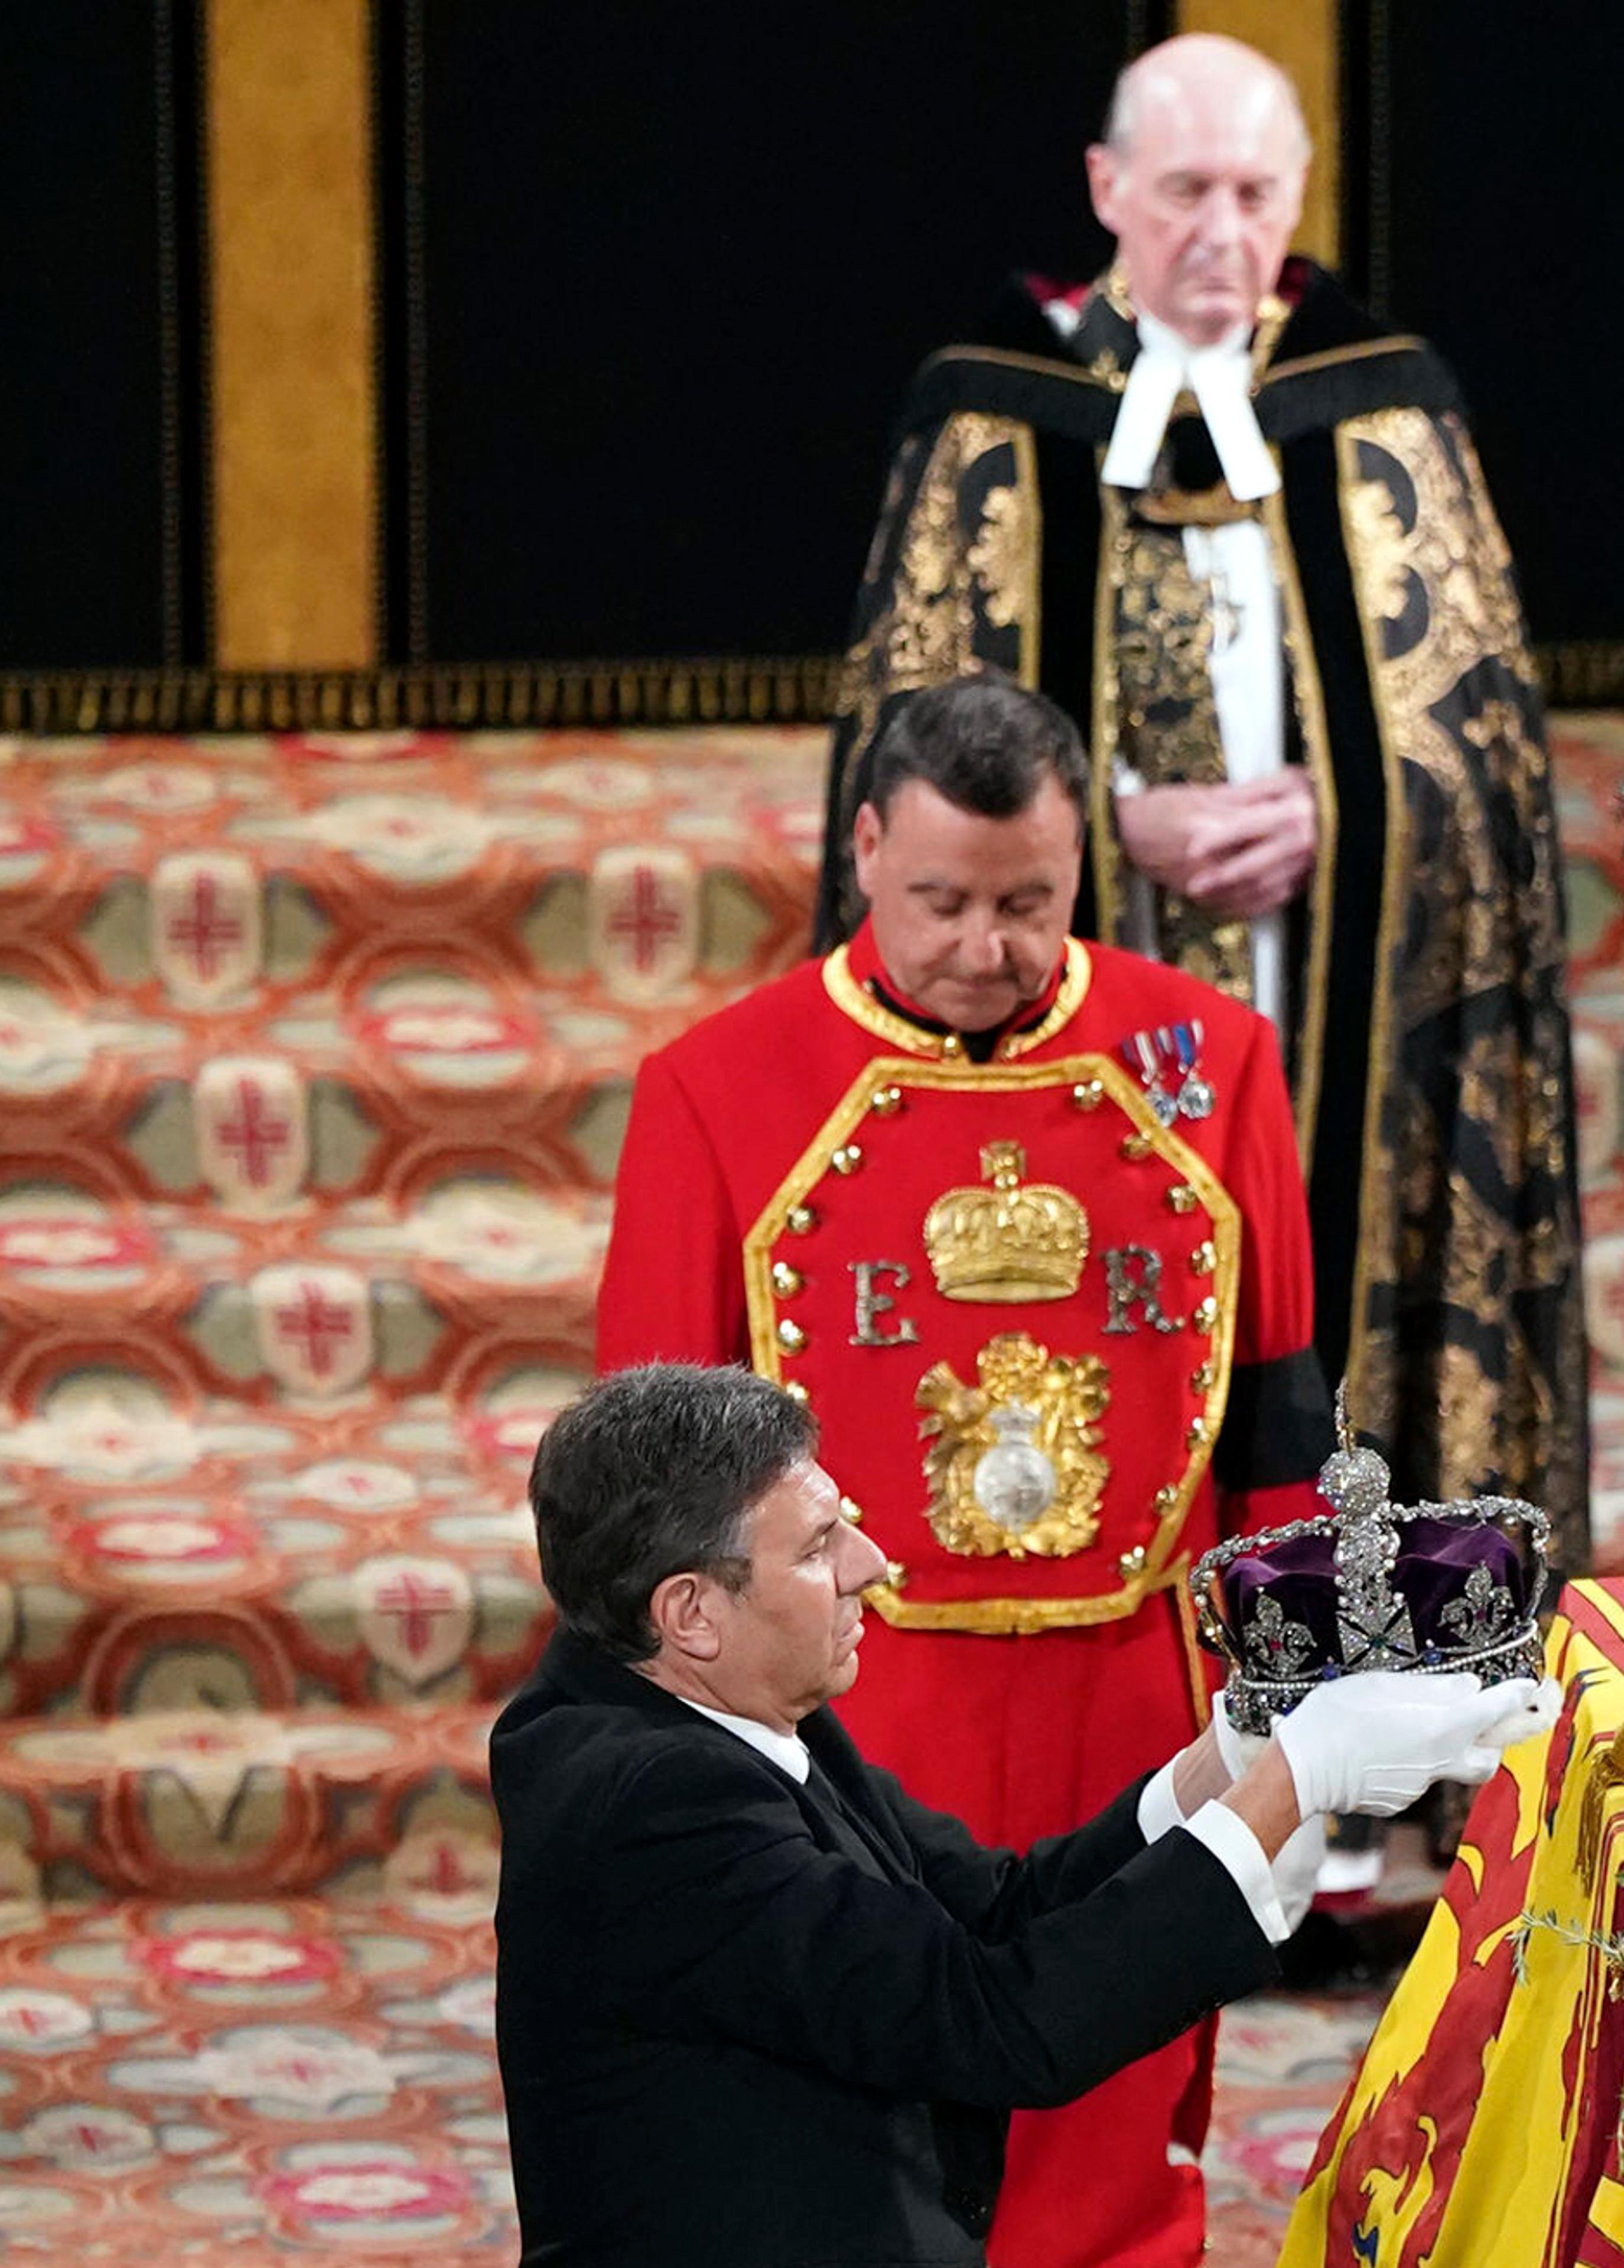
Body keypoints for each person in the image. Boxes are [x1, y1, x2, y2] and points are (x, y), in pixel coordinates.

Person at [809, 31, 1585, 1554]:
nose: (1222, 233)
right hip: (1085, 974)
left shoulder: (1385, 402)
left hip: (1332, 998)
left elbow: (1490, 760)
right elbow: (903, 748)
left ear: (1297, 191)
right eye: (1183, 192)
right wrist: (1107, 829)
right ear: (1107, 189)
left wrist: (1349, 817)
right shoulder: (995, 410)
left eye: (1255, 191)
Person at [595, 673, 1320, 2266]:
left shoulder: (1216, 1059)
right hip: (846, 1700)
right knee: (847, 2127)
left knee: (1117, 2120)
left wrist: (1295, 1697)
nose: (985, 949)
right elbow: (644, 1472)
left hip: (1135, 1679)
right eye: (942, 902)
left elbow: (1277, 1409)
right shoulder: (716, 1087)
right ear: (863, 848)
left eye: (1029, 904)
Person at [494, 1361, 1540, 2267]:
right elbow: (998, 2023)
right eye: (817, 1549)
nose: (870, 1564)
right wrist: (1295, 1787)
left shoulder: (711, 1706)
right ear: (690, 1613)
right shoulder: (655, 1809)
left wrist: (1229, 1758)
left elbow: (994, 1910)